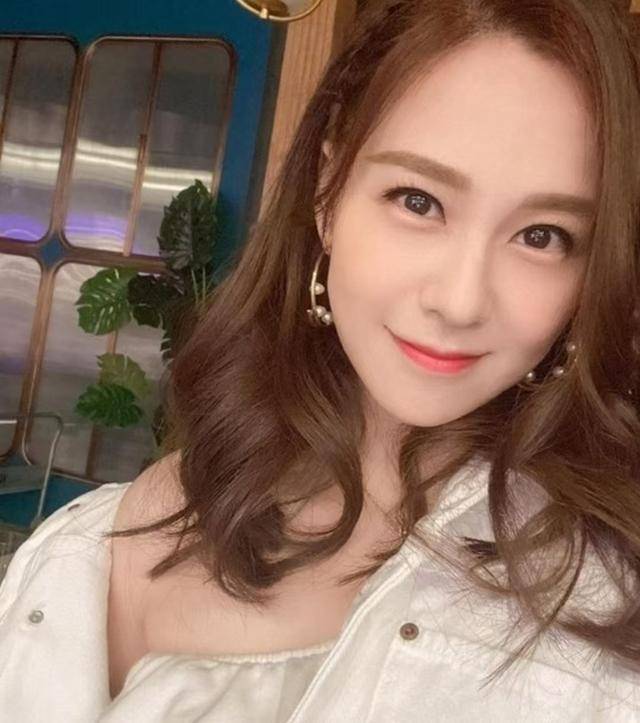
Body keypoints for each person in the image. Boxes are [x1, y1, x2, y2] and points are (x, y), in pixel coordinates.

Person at [1, 0, 640, 720]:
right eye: (418, 201)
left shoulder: (602, 607)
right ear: (328, 192)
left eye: (543, 236)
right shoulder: (133, 524)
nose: (461, 301)